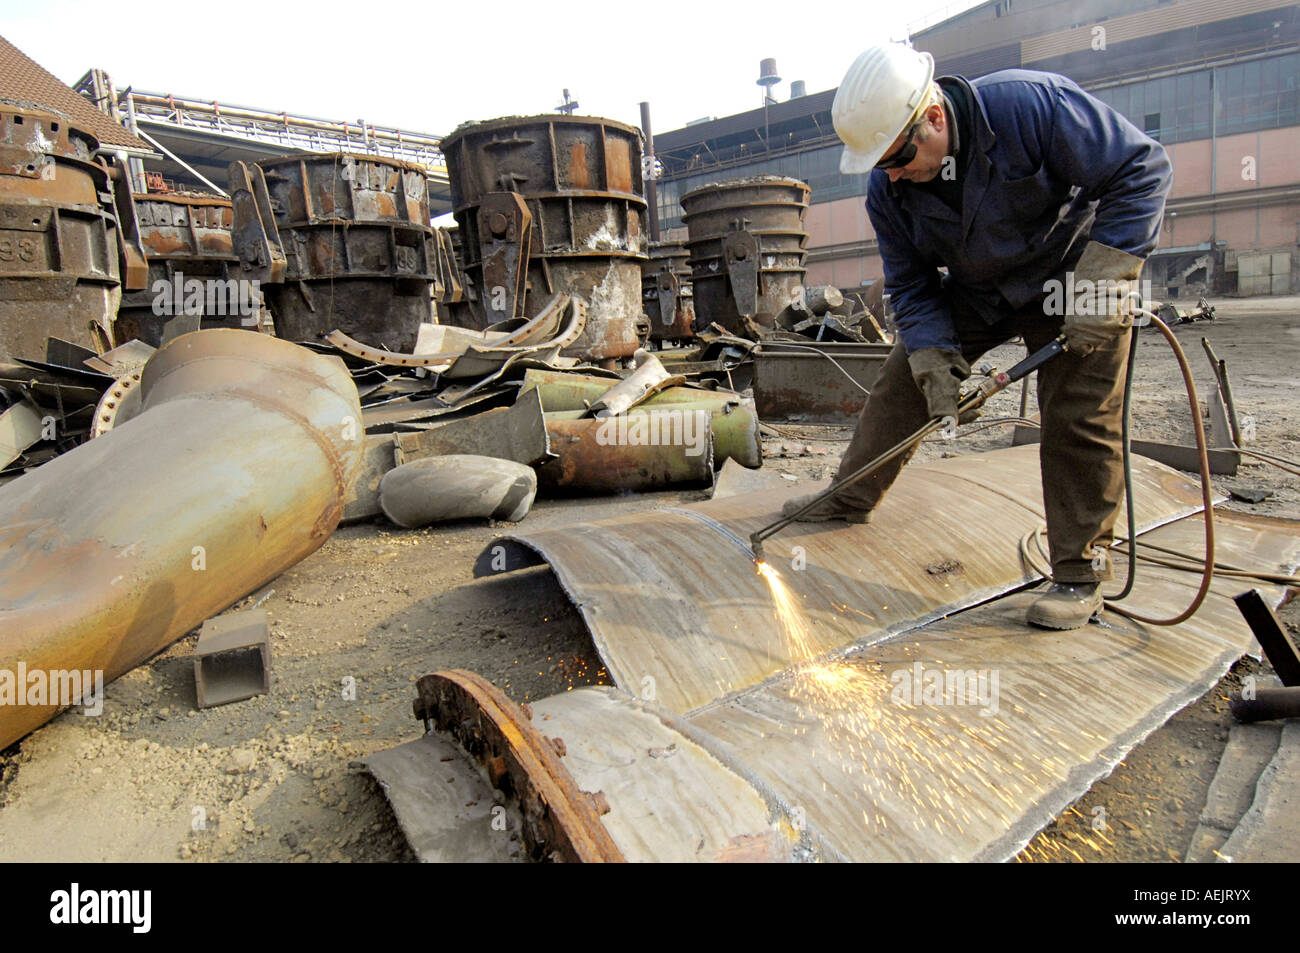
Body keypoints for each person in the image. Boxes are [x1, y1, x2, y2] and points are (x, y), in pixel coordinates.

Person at [782, 43, 1172, 630]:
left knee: (1080, 417)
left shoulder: (1032, 107)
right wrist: (935, 360)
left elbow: (1140, 169)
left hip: (1073, 279)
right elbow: (911, 284)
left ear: (934, 117)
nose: (892, 173)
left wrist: (1102, 286)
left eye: (899, 156)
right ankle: (849, 497)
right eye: (881, 164)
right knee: (903, 382)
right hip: (979, 292)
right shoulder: (889, 189)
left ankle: (1078, 572)